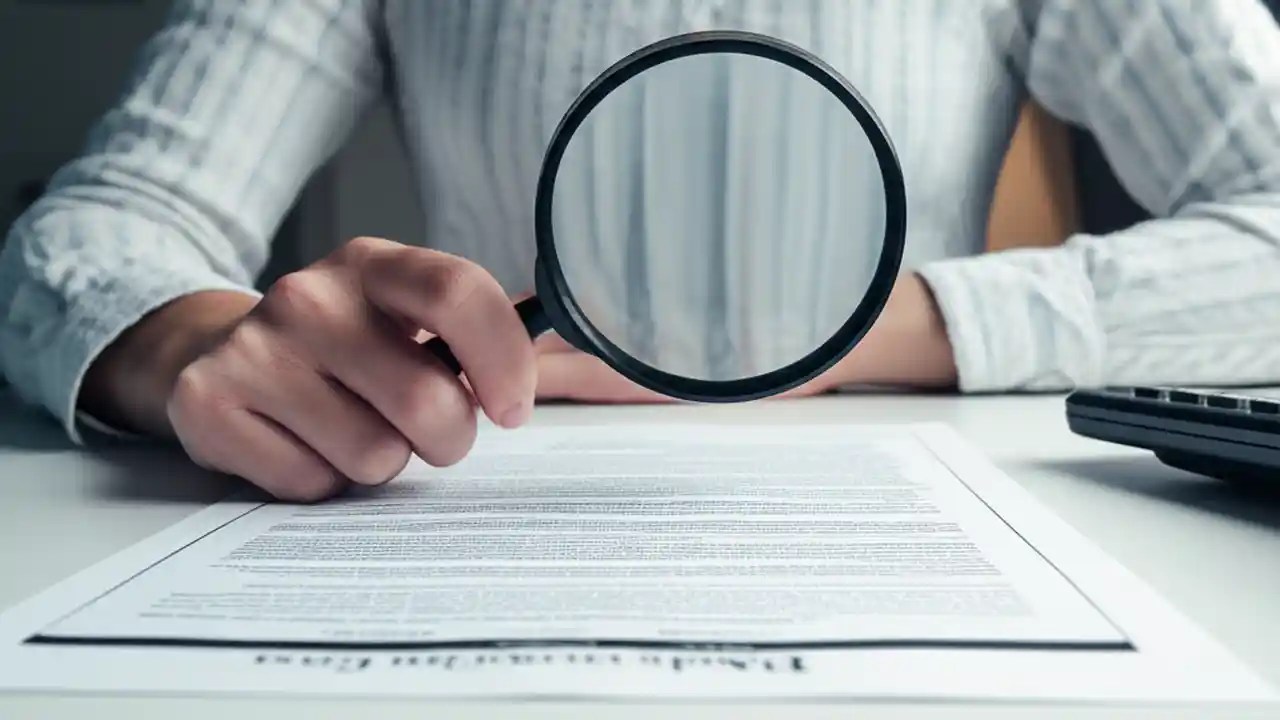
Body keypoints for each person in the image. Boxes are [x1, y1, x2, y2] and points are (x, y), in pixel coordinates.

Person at [2, 0, 1279, 501]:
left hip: (897, 506)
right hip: (453, 497)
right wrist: (188, 343)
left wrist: (858, 330)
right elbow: (105, 219)